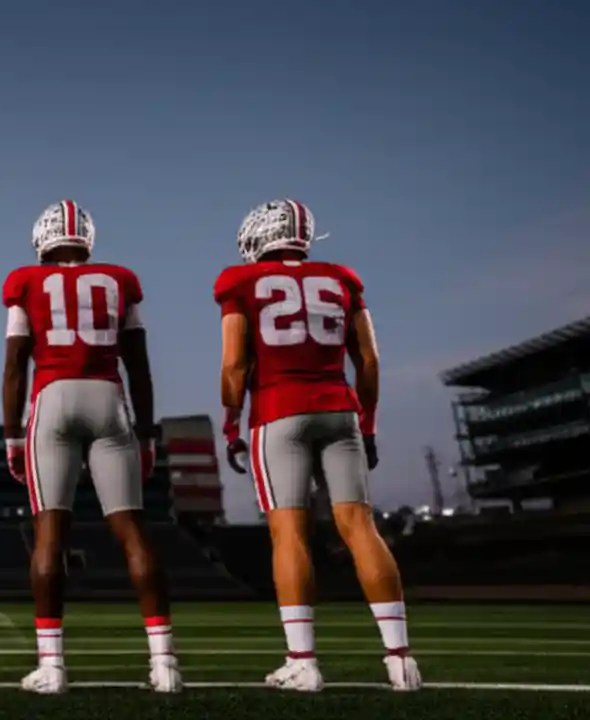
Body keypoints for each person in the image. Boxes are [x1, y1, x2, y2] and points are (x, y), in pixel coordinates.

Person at [213, 198, 421, 692]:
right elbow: (368, 361)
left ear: (259, 235)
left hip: (278, 411)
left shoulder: (239, 282)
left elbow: (233, 363)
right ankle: (400, 660)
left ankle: (303, 662)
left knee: (289, 533)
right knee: (360, 527)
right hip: (338, 408)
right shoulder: (343, 280)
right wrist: (367, 423)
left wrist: (230, 421)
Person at [1, 200, 182, 695]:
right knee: (132, 531)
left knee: (49, 533)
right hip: (110, 397)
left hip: (53, 396)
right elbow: (140, 366)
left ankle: (52, 667)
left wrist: (12, 435)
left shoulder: (26, 281)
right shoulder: (120, 280)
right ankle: (164, 663)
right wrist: (147, 434)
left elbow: (16, 365)